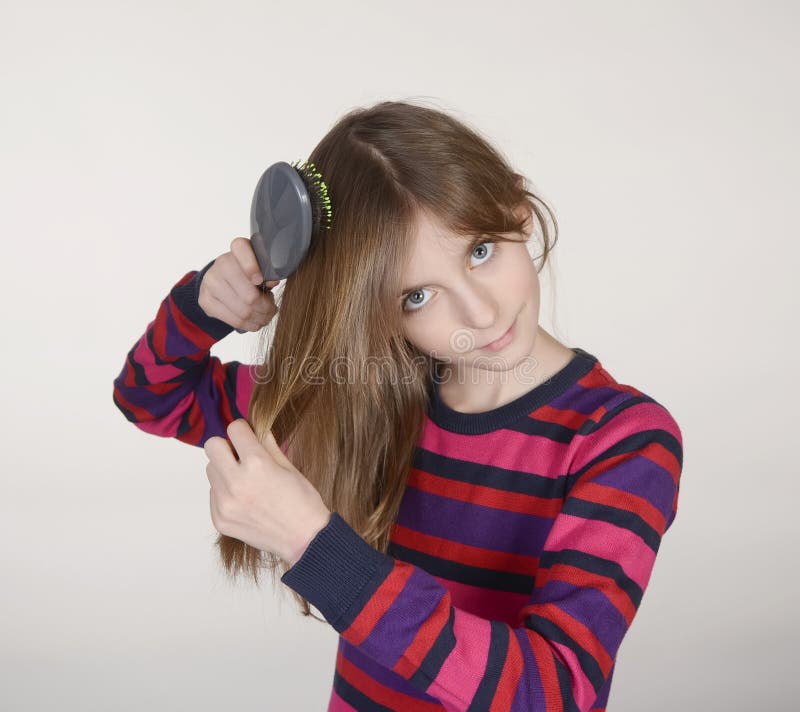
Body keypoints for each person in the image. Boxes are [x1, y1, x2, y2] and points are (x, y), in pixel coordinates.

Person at [112, 99, 683, 711]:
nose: (480, 312)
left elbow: (554, 692)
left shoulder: (621, 439)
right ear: (374, 312)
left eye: (481, 250)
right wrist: (204, 304)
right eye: (417, 295)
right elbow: (150, 397)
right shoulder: (356, 396)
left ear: (517, 208)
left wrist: (318, 549)